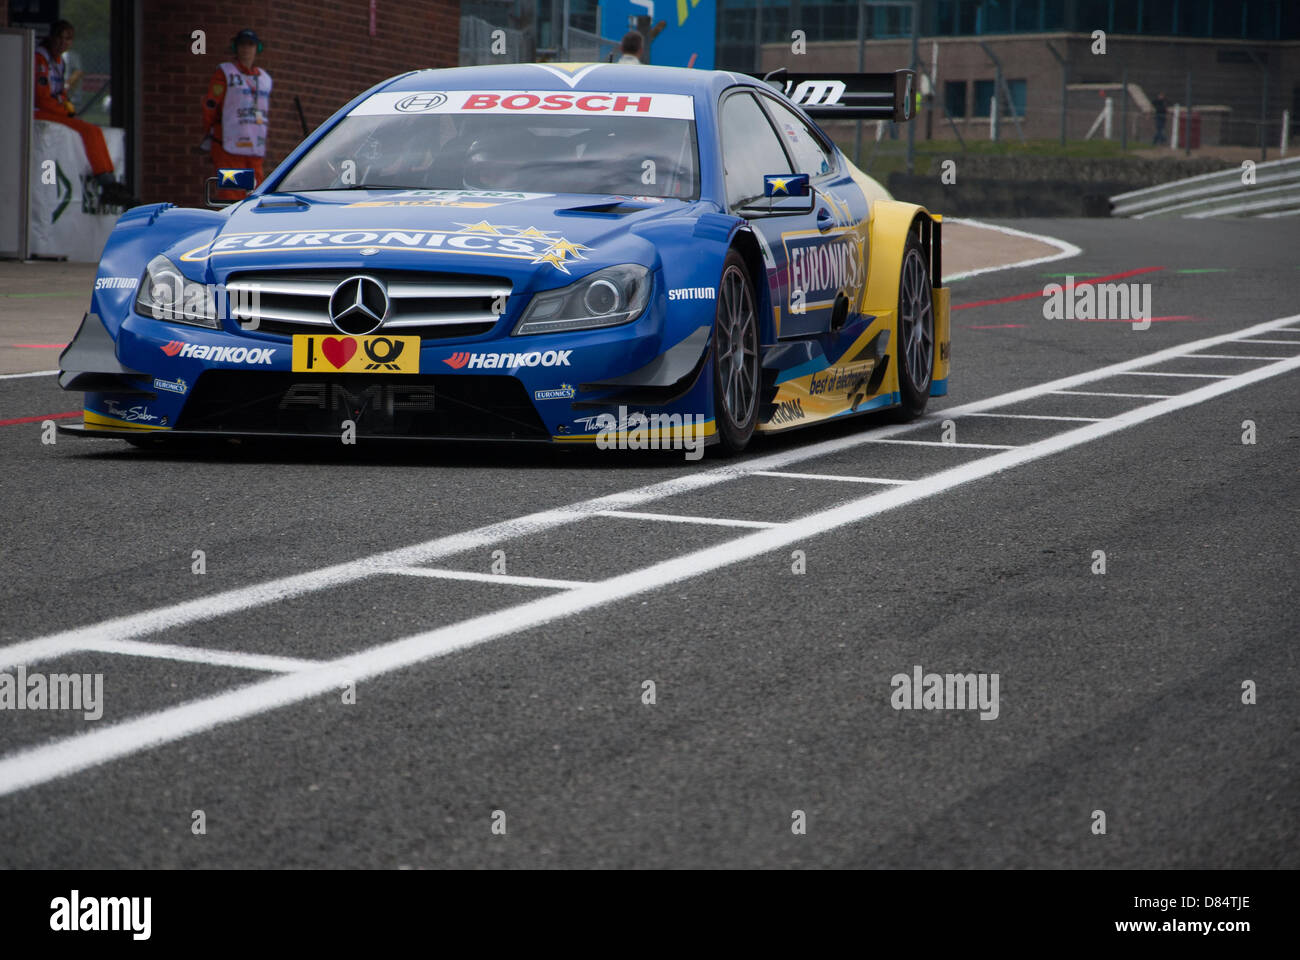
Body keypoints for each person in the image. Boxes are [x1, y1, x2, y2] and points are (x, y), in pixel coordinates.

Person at [33, 20, 136, 207]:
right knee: (89, 131)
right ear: (52, 37)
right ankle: (107, 185)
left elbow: (59, 93)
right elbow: (41, 97)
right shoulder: (40, 59)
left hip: (53, 111)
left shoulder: (58, 61)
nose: (63, 43)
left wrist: (67, 106)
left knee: (94, 131)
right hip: (38, 112)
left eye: (68, 39)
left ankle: (110, 182)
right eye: (60, 37)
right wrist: (63, 110)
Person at [201, 29, 272, 199]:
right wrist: (210, 132)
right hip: (229, 145)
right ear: (235, 48)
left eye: (250, 45)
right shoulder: (225, 72)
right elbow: (211, 105)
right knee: (232, 195)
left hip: (254, 147)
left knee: (256, 194)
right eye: (242, 45)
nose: (246, 49)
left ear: (257, 48)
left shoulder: (264, 78)